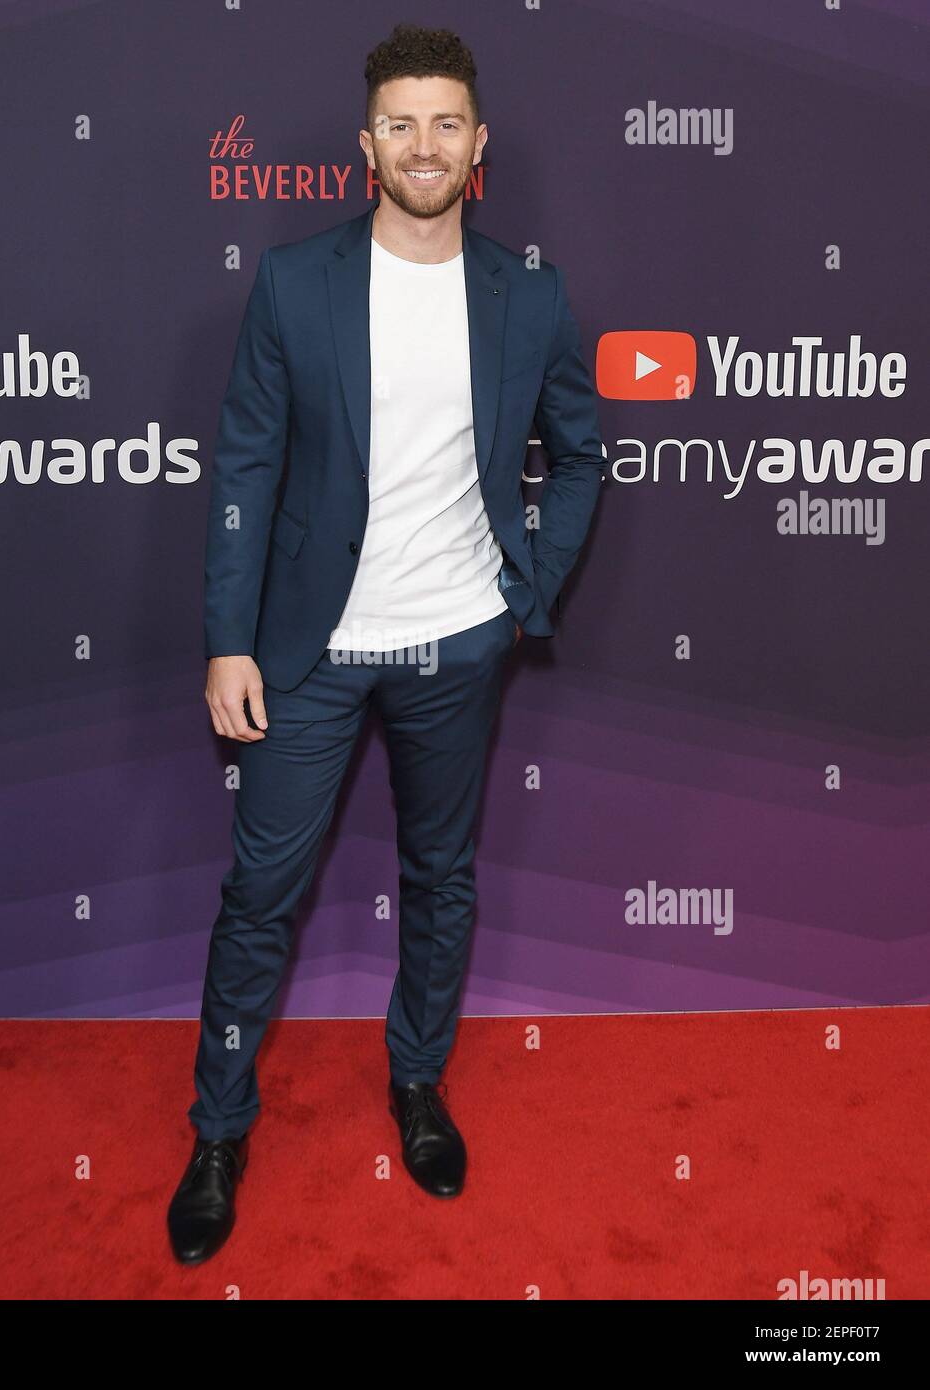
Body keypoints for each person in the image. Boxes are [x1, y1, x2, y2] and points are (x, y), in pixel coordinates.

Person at [168, 22, 607, 1264]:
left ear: (480, 146)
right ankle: (216, 1131)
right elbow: (244, 466)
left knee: (442, 877)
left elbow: (578, 453)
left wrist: (529, 590)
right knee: (260, 895)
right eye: (401, 124)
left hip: (459, 641)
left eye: (446, 123)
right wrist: (228, 639)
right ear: (368, 145)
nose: (424, 144)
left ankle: (418, 1086)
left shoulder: (533, 293)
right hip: (308, 652)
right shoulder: (293, 281)